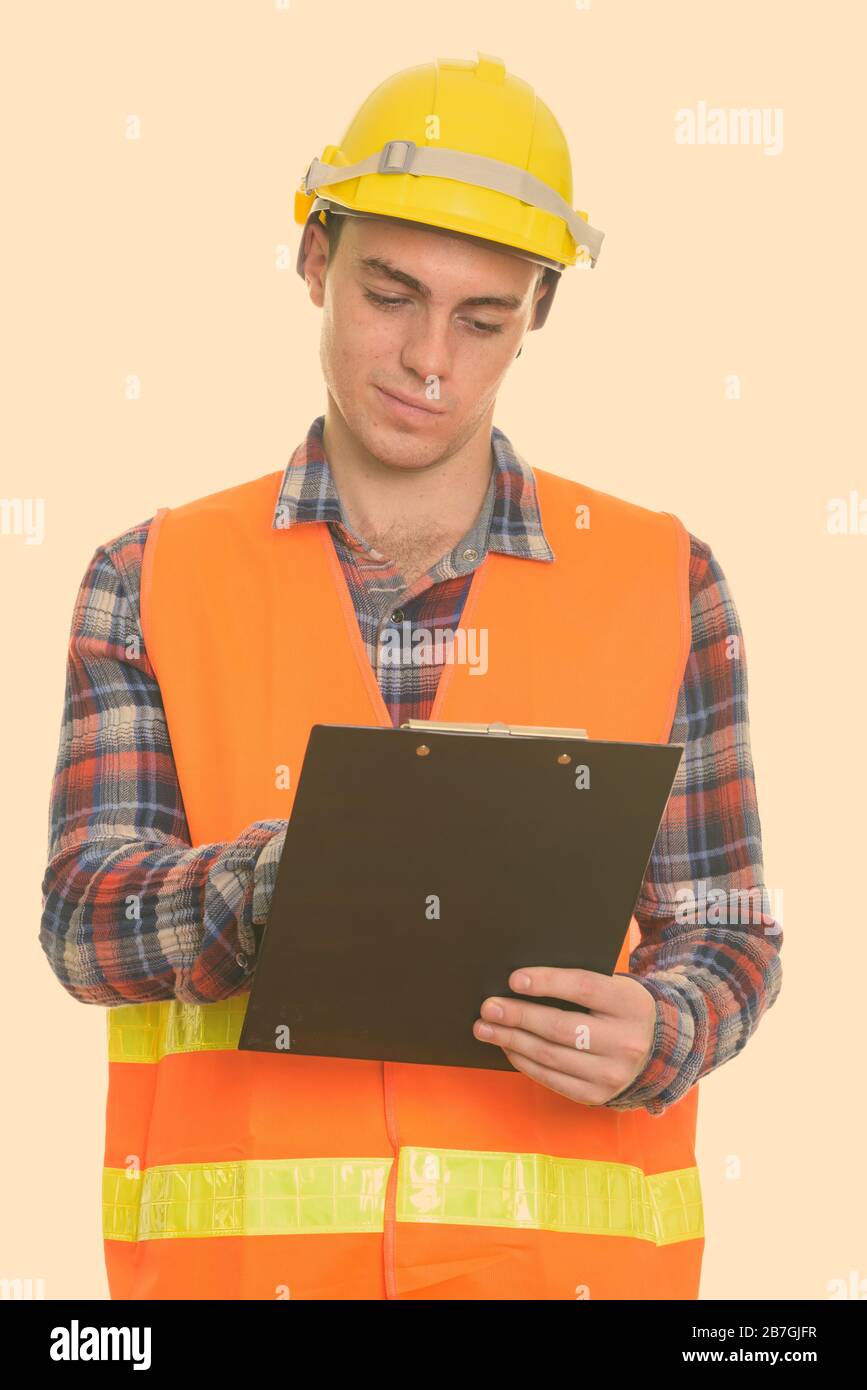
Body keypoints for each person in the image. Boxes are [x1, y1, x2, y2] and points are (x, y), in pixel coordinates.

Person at [40, 51, 782, 1301]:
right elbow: (81, 922)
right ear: (314, 260)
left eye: (483, 318)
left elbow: (727, 936)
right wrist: (278, 881)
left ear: (535, 315)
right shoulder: (150, 574)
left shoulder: (665, 578)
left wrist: (667, 1030)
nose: (430, 357)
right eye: (391, 292)